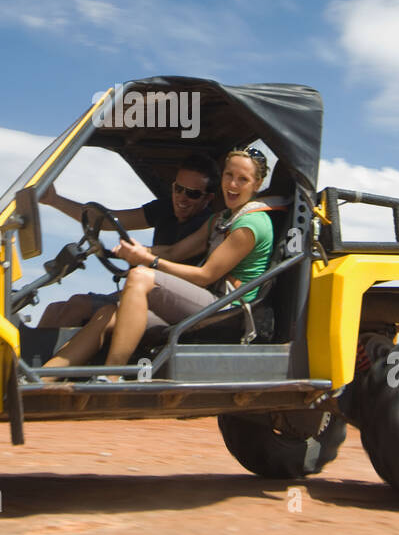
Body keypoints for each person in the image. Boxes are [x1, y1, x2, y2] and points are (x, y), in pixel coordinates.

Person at [42, 147, 274, 378]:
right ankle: (41, 380)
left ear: (257, 184)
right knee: (107, 312)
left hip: (228, 311)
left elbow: (206, 275)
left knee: (140, 276)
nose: (233, 184)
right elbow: (173, 251)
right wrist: (135, 252)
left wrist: (148, 260)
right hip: (206, 304)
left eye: (242, 179)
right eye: (229, 175)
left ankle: (112, 377)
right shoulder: (220, 219)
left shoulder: (252, 223)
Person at [34, 153, 219, 328]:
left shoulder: (207, 227)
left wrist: (138, 253)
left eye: (192, 194)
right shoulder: (165, 209)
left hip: (170, 304)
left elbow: (173, 252)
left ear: (208, 198)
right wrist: (54, 200)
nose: (182, 198)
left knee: (79, 306)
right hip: (143, 292)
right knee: (55, 310)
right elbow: (107, 221)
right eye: (178, 189)